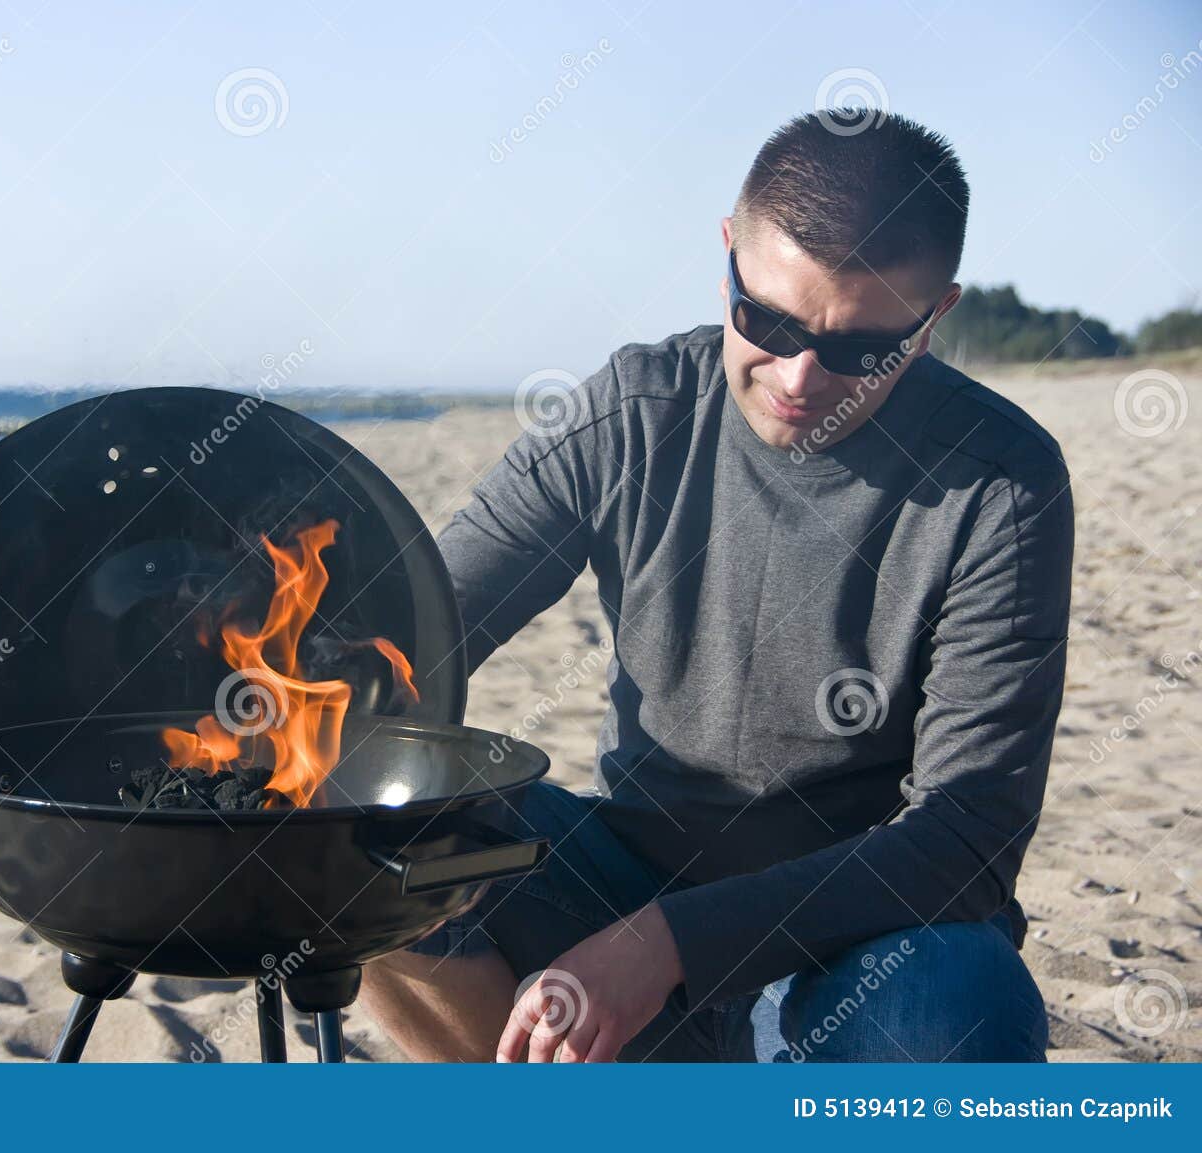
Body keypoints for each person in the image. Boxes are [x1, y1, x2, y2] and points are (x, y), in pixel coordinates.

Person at [360, 111, 1074, 1063]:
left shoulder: (1003, 484)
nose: (799, 376)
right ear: (729, 251)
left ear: (936, 314)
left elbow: (966, 837)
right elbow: (415, 633)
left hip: (864, 925)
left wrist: (672, 945)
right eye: (769, 321)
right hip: (624, 869)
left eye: (863, 348)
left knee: (962, 1009)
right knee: (373, 852)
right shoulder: (636, 413)